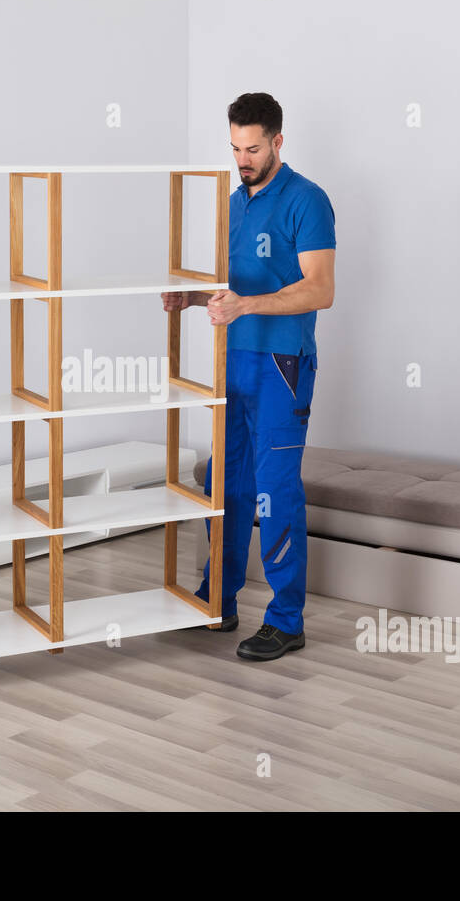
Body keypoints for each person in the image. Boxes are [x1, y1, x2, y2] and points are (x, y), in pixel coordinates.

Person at [162, 92, 336, 661]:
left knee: (275, 490)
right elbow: (230, 288)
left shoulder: (307, 200)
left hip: (282, 366)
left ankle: (286, 620)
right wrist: (192, 297)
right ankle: (219, 599)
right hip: (231, 363)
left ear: (277, 142)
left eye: (253, 149)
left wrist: (247, 306)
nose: (243, 159)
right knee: (225, 483)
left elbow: (321, 289)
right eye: (235, 148)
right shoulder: (232, 203)